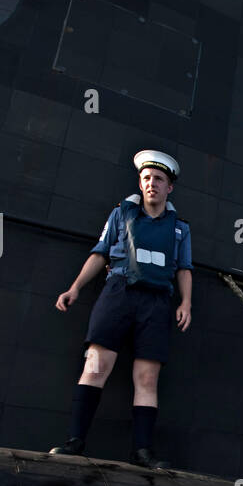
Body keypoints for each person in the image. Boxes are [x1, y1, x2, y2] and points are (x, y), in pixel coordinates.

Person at [49, 149, 192, 469]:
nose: (151, 183)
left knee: (146, 377)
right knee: (96, 365)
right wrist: (75, 287)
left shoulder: (180, 228)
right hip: (118, 293)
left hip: (156, 301)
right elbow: (100, 253)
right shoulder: (121, 215)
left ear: (170, 187)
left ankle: (142, 451)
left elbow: (184, 268)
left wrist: (186, 302)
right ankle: (75, 441)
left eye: (158, 179)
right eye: (146, 179)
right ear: (140, 184)